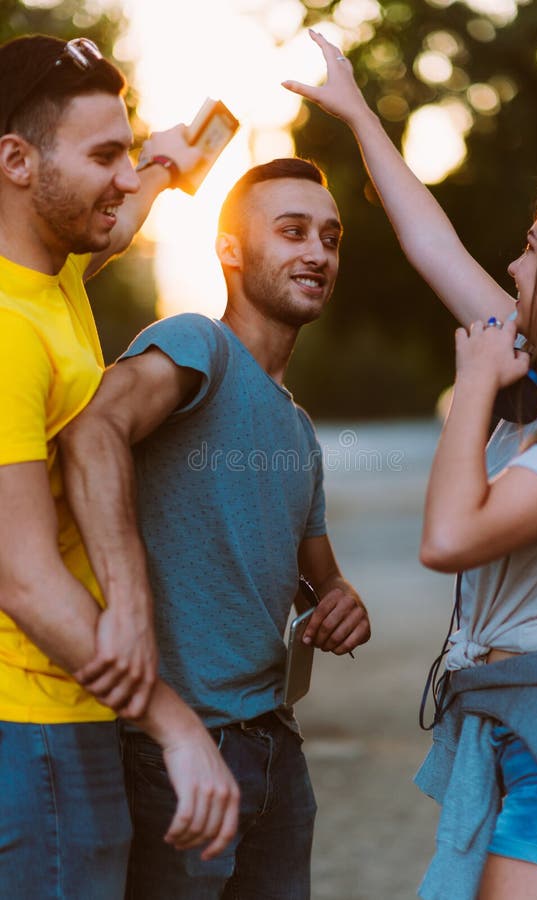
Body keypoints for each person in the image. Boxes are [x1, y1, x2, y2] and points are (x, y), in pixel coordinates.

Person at [284, 32, 537, 900]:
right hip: (523, 734)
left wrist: (470, 390)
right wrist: (354, 114)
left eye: (532, 249)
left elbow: (449, 536)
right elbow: (431, 241)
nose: (509, 262)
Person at [59, 156, 371, 899]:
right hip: (174, 754)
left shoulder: (295, 430)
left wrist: (337, 600)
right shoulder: (199, 345)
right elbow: (92, 427)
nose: (316, 253)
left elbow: (313, 579)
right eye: (291, 232)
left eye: (329, 238)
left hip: (276, 751)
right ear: (230, 250)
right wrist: (129, 601)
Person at [0, 33, 238, 900]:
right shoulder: (6, 332)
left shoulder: (48, 278)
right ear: (16, 160)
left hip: (64, 719)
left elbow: (119, 214)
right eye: (105, 154)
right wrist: (175, 727)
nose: (124, 176)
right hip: (31, 732)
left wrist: (168, 163)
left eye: (126, 152)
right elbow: (23, 578)